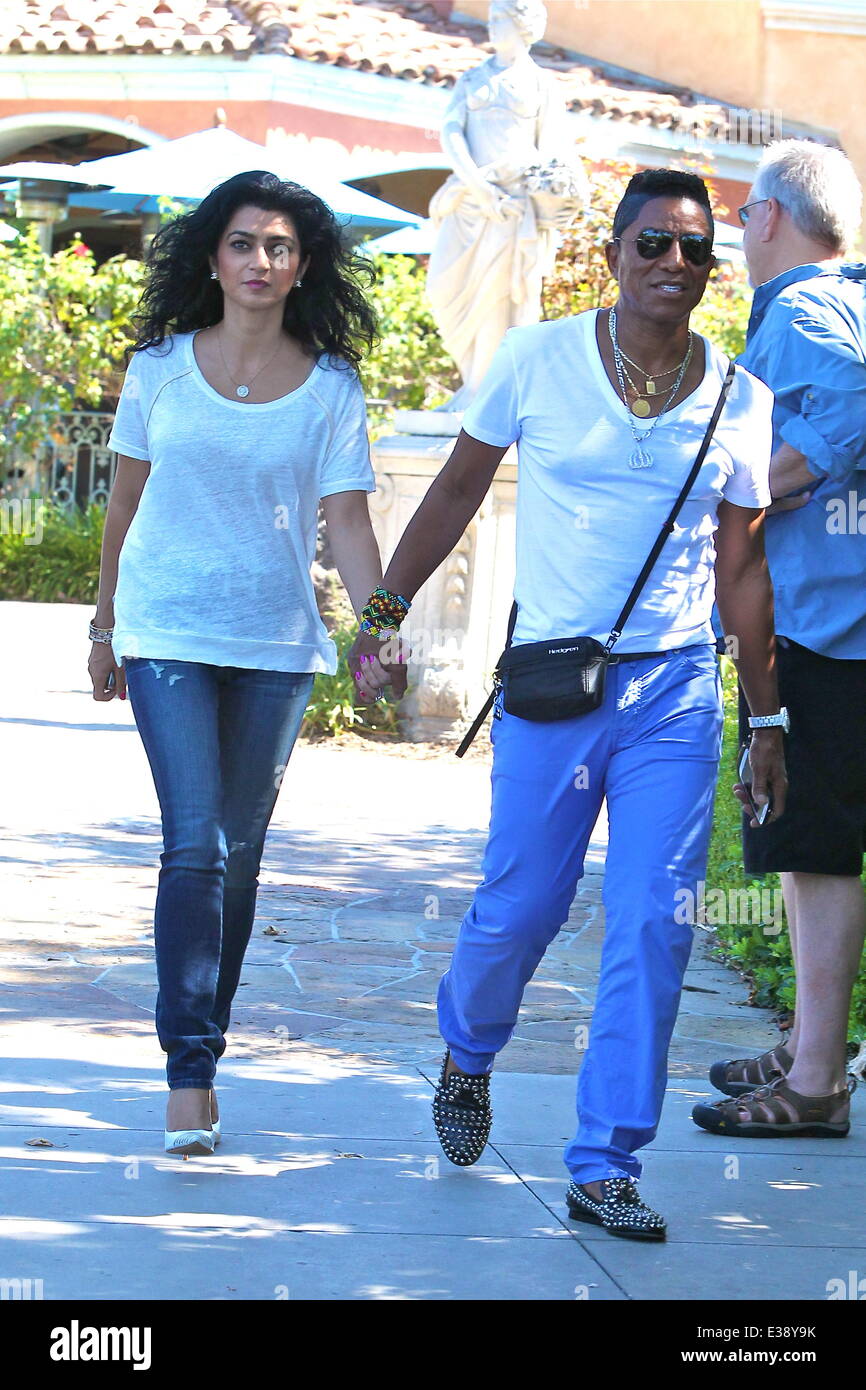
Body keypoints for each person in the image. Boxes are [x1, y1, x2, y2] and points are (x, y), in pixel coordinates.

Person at [349, 169, 787, 1239]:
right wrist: (382, 613)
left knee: (652, 919)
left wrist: (765, 720)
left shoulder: (738, 396)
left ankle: (605, 1160)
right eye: (651, 245)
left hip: (675, 691)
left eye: (693, 251)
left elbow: (741, 571)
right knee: (519, 906)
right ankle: (466, 1050)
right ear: (612, 253)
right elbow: (455, 485)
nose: (672, 266)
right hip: (554, 682)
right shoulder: (536, 359)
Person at [87, 169, 401, 1156]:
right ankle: (187, 1073)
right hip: (167, 632)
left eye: (278, 246)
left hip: (273, 646)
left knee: (239, 857)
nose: (258, 260)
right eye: (240, 243)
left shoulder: (331, 388)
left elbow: (346, 517)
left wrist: (374, 624)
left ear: (302, 265)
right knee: (195, 845)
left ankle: (204, 1054)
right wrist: (104, 627)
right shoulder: (160, 370)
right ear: (211, 259)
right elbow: (124, 506)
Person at [692, 140, 866, 1141]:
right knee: (810, 846)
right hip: (842, 619)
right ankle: (811, 1038)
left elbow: (851, 408)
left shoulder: (799, 312)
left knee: (812, 850)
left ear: (764, 219)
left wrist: (751, 490)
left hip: (823, 629)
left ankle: (812, 1083)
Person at [426, 0, 586, 412]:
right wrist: (479, 186)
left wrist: (515, 180)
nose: (493, 26)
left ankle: (483, 392)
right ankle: (471, 384)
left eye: (502, 19)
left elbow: (551, 151)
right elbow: (451, 132)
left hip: (512, 209)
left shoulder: (541, 86)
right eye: (492, 18)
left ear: (523, 26)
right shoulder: (472, 79)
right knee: (444, 291)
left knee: (497, 296)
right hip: (469, 201)